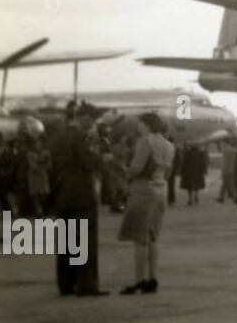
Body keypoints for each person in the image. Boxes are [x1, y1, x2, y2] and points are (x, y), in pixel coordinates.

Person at [49, 102, 106, 296]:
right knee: (84, 240)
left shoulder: (56, 138)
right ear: (83, 117)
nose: (93, 123)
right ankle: (86, 285)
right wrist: (101, 157)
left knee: (66, 240)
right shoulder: (82, 137)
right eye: (92, 118)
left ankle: (65, 284)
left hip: (61, 193)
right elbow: (89, 162)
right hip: (81, 193)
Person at [119, 112, 173, 294]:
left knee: (140, 238)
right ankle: (153, 278)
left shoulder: (146, 141)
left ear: (147, 125)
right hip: (160, 191)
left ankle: (139, 280)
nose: (138, 127)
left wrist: (123, 172)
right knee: (153, 237)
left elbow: (137, 168)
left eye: (140, 124)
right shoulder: (169, 145)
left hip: (143, 191)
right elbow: (167, 173)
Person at [218, 138, 237, 204]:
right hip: (232, 169)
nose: (222, 144)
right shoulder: (233, 150)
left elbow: (225, 162)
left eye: (222, 143)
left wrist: (223, 170)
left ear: (225, 143)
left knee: (228, 185)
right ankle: (221, 197)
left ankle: (235, 198)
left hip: (227, 170)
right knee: (227, 185)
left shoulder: (225, 150)